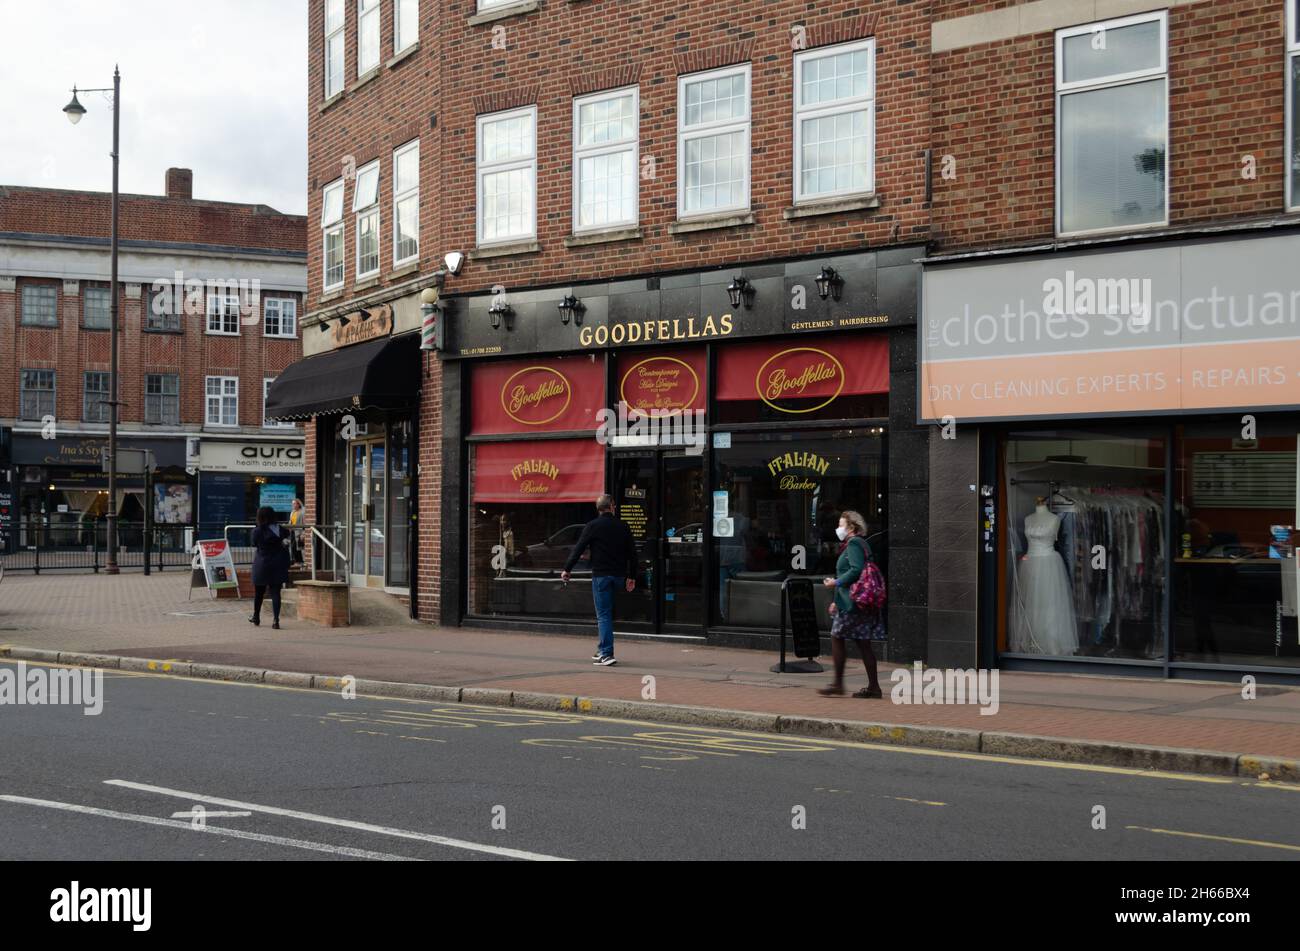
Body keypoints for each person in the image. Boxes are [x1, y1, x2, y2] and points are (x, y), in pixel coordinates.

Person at [560, 494, 637, 666]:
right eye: (615, 506)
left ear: (599, 508)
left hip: (601, 576)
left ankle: (606, 654)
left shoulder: (592, 526)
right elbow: (633, 553)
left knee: (603, 616)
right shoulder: (623, 525)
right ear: (611, 506)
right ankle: (602, 648)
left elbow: (578, 548)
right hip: (619, 576)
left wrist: (567, 569)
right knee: (608, 615)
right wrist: (632, 576)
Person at [818, 509, 884, 698]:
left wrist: (835, 583)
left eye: (841, 525)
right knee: (863, 643)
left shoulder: (854, 543)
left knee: (837, 636)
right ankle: (874, 687)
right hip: (856, 602)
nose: (838, 528)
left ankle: (838, 684)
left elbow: (855, 571)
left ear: (852, 527)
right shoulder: (857, 544)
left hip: (852, 604)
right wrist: (836, 602)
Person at [249, 506, 290, 630]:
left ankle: (256, 616)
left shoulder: (257, 531)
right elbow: (287, 538)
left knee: (259, 593)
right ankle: (276, 620)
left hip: (262, 563)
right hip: (278, 563)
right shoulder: (281, 530)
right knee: (276, 593)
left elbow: (253, 543)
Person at [288, 498, 305, 565]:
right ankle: (296, 561)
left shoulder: (302, 512)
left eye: (294, 504)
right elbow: (291, 521)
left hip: (299, 531)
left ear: (298, 504)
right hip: (292, 531)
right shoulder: (292, 512)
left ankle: (300, 561)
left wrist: (303, 533)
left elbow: (304, 523)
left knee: (298, 547)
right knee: (292, 547)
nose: (293, 505)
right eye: (292, 504)